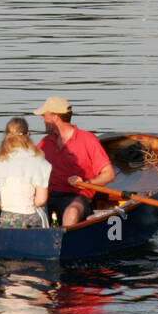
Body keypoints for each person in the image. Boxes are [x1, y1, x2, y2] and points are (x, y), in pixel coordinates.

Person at [34, 96, 114, 228]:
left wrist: (87, 183)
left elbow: (109, 174)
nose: (42, 119)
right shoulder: (45, 142)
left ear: (55, 117)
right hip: (49, 196)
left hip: (78, 196)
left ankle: (63, 242)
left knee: (72, 213)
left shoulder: (88, 140)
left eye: (44, 115)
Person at [0, 119, 52, 228]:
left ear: (6, 135)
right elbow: (40, 200)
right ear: (28, 135)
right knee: (44, 205)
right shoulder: (37, 159)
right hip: (27, 219)